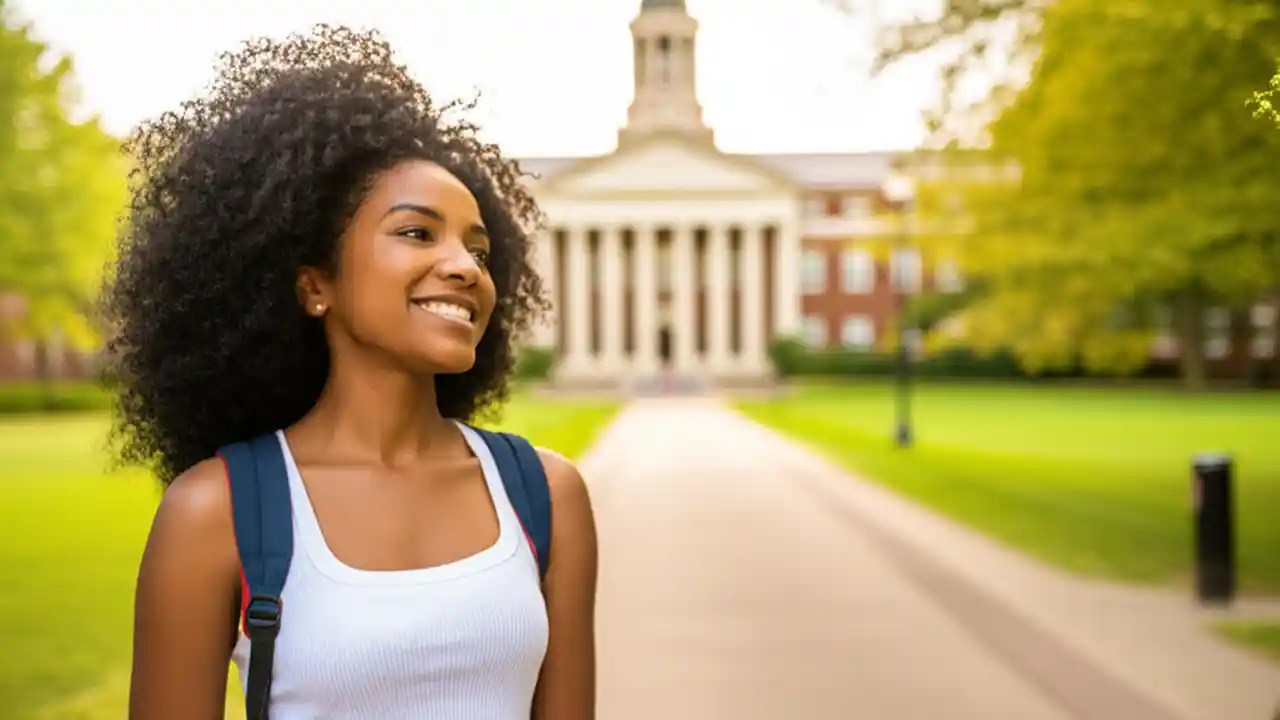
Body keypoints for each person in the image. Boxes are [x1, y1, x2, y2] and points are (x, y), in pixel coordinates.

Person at [102, 25, 597, 719]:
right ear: (314, 285)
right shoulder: (216, 512)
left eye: (479, 250)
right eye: (417, 233)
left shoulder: (545, 496)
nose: (463, 267)